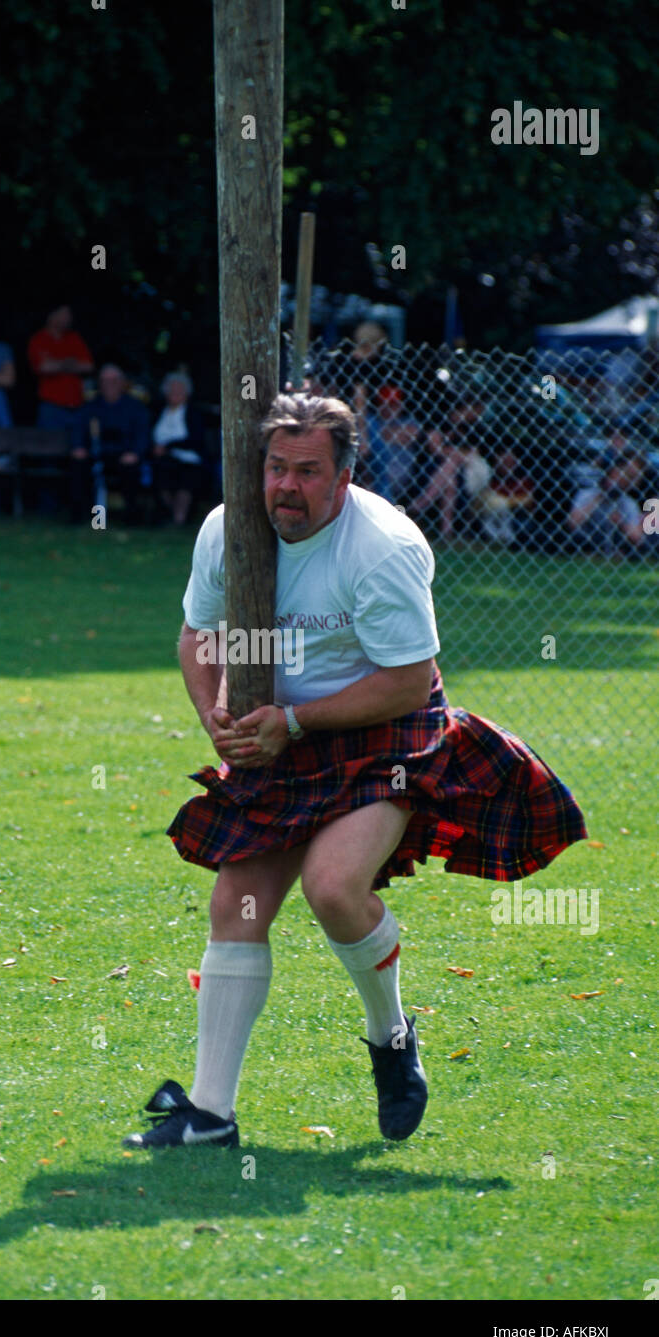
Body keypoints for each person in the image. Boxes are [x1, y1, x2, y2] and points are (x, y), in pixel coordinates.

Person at [123, 393, 588, 1149]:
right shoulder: (228, 531)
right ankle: (210, 1115)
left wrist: (295, 720)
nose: (286, 487)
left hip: (383, 734)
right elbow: (198, 634)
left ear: (343, 477)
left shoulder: (383, 547)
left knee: (334, 887)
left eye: (307, 472)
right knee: (235, 905)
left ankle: (391, 1037)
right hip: (280, 738)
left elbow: (409, 682)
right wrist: (215, 712)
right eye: (276, 468)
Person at [70, 364, 151, 524]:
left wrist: (135, 453)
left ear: (122, 383)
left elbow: (143, 435)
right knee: (78, 466)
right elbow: (78, 430)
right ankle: (82, 516)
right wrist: (78, 447)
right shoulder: (91, 406)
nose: (109, 385)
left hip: (124, 455)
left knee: (132, 469)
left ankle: (131, 516)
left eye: (114, 380)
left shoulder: (135, 407)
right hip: (96, 455)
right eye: (105, 381)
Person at [150, 371, 209, 525]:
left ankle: (179, 518)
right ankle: (168, 513)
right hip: (161, 458)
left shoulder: (193, 413)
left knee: (187, 475)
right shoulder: (157, 411)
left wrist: (169, 446)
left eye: (179, 390)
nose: (175, 393)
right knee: (161, 471)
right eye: (172, 390)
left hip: (188, 457)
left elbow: (196, 439)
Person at [27, 305, 94, 429]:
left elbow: (88, 366)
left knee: (78, 445)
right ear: (51, 316)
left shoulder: (74, 338)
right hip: (51, 407)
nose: (68, 318)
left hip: (76, 405)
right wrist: (70, 363)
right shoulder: (39, 339)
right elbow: (43, 367)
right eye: (64, 314)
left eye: (69, 315)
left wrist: (57, 365)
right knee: (49, 444)